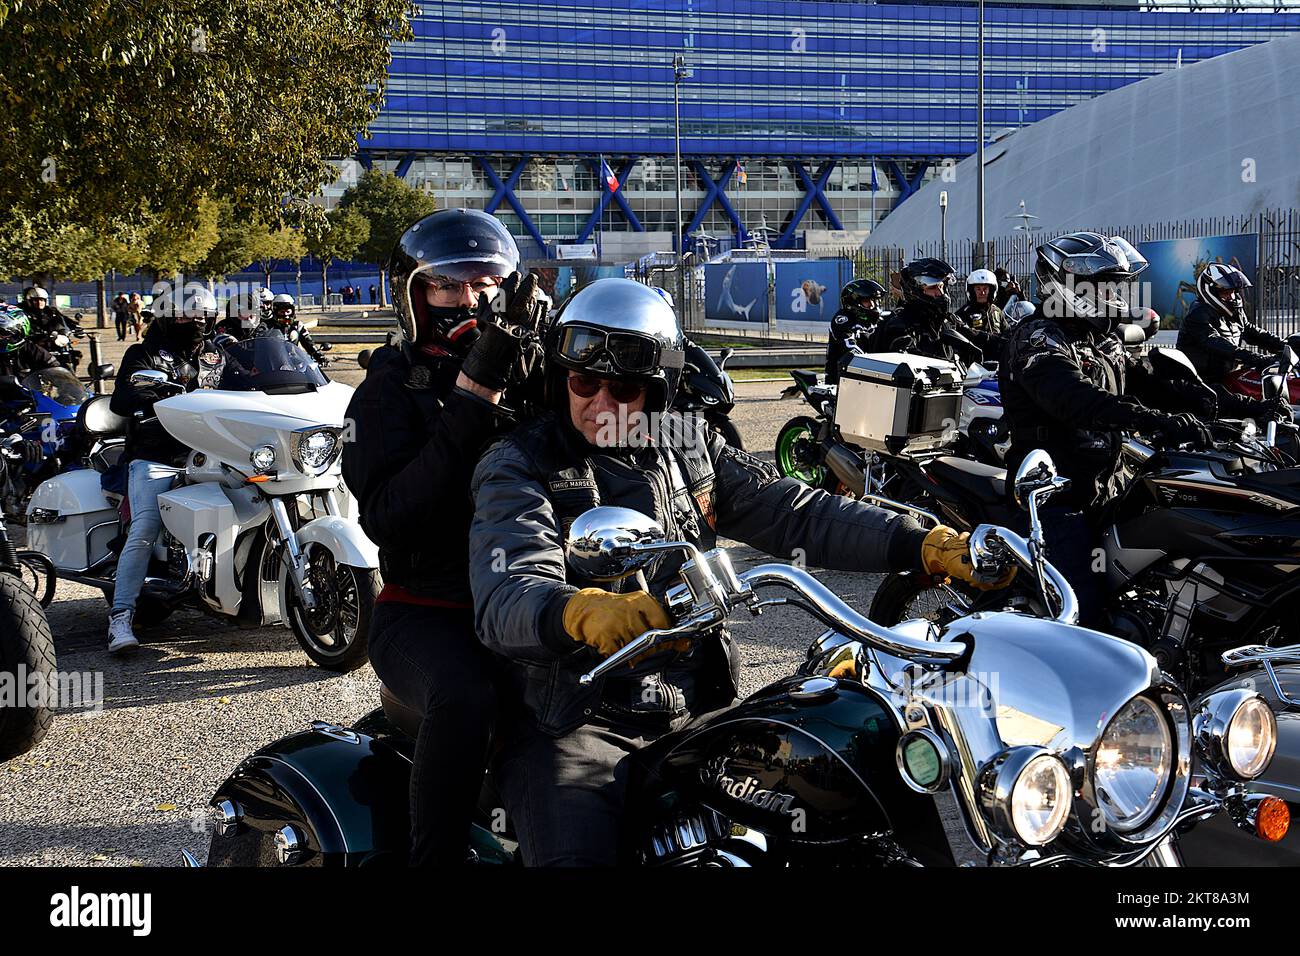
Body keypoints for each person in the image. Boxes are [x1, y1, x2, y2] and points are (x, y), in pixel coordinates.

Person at [467, 277, 1010, 867]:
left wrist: (921, 542)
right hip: (579, 720)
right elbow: (507, 589)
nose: (600, 404)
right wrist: (580, 611)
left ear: (660, 389)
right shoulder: (521, 463)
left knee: (844, 789)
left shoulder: (688, 447)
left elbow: (794, 511)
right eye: (583, 382)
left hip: (698, 705)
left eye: (622, 388)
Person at [341, 208, 548, 866]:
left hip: (528, 598)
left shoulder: (532, 374)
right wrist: (472, 396)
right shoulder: (385, 392)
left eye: (486, 283)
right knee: (468, 696)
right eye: (448, 284)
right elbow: (389, 518)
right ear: (414, 295)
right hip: (427, 609)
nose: (470, 300)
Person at [1000, 232, 1219, 624]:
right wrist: (1155, 420)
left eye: (1117, 286)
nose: (1114, 296)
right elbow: (1079, 400)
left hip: (1107, 483)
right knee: (1085, 614)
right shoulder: (1037, 338)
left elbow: (1146, 380)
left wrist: (1221, 403)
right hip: (1055, 495)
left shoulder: (1097, 337)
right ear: (1068, 285)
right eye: (1104, 287)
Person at [105, 288, 218, 653]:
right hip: (156, 456)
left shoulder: (216, 354)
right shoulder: (144, 353)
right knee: (144, 528)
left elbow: (249, 383)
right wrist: (154, 396)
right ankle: (121, 617)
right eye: (186, 316)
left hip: (212, 454)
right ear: (168, 318)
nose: (195, 322)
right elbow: (122, 399)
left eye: (202, 316)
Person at [1176, 262, 1285, 398]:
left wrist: (1284, 345)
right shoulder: (1198, 313)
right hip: (1203, 383)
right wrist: (1255, 358)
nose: (1231, 297)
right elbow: (1214, 342)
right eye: (1226, 292)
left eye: (1233, 292)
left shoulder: (1232, 311)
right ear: (1210, 291)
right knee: (1257, 404)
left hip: (1227, 377)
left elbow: (1250, 331)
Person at [870, 259, 984, 366]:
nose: (940, 293)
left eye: (941, 286)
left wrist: (994, 344)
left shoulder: (947, 320)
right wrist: (950, 365)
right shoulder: (899, 325)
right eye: (932, 288)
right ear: (915, 291)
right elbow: (907, 359)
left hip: (953, 379)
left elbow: (977, 337)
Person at [823, 277, 887, 385]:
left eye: (873, 300)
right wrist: (874, 365)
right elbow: (850, 348)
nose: (872, 305)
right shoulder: (842, 319)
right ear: (853, 302)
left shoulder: (876, 320)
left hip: (869, 376)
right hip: (840, 379)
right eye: (867, 301)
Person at [266, 293, 330, 363]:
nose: (286, 315)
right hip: (272, 362)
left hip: (293, 362)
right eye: (282, 312)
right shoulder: (267, 326)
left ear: (292, 312)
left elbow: (308, 343)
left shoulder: (297, 326)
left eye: (288, 312)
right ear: (276, 312)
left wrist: (319, 356)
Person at [0, 307, 59, 378]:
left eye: (3, 333)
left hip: (26, 385)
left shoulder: (30, 349)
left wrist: (56, 377)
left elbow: (53, 366)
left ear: (19, 333)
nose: (0, 338)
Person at [956, 269, 1006, 336]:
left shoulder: (996, 311)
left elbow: (1007, 332)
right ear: (972, 291)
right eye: (978, 289)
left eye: (985, 289)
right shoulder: (964, 313)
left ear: (991, 291)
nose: (982, 293)